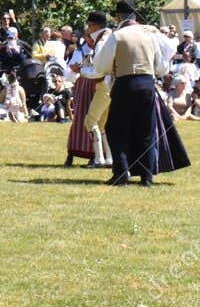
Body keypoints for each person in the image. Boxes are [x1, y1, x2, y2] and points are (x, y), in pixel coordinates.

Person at [92, 10, 190, 186]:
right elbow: (161, 67)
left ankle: (121, 172)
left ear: (120, 20)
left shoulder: (117, 36)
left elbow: (101, 65)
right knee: (146, 131)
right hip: (147, 84)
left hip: (125, 83)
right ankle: (146, 177)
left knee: (116, 129)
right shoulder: (150, 36)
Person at [65, 11, 113, 169]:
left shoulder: (101, 41)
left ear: (94, 26)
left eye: (90, 26)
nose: (88, 31)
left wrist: (83, 70)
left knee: (90, 121)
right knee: (102, 124)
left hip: (102, 84)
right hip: (105, 85)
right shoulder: (108, 37)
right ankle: (109, 159)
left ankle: (99, 159)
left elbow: (98, 69)